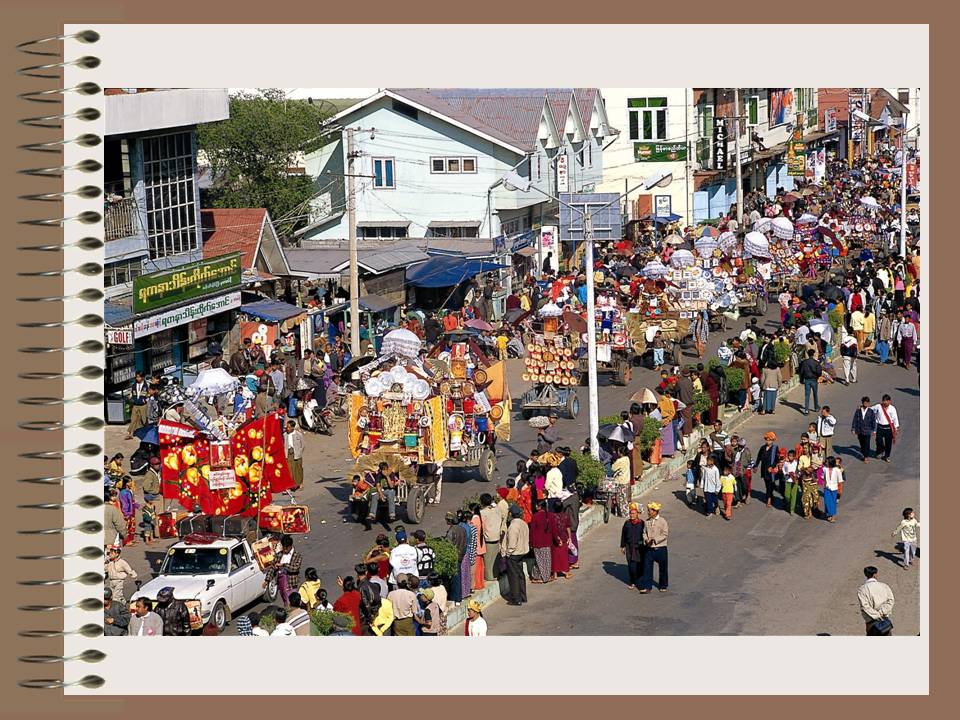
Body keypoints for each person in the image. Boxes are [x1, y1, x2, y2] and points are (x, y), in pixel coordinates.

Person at [502, 504, 529, 606]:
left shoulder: (513, 526)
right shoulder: (523, 523)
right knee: (520, 575)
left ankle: (516, 598)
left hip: (514, 554)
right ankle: (523, 596)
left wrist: (508, 553)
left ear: (511, 514)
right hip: (522, 552)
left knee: (513, 577)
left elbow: (512, 544)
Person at [639, 502, 668, 594]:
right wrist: (646, 540)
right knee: (647, 568)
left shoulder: (663, 521)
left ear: (655, 511)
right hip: (649, 549)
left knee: (663, 568)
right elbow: (644, 532)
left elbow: (665, 534)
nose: (648, 512)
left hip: (660, 548)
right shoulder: (647, 521)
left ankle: (663, 585)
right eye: (648, 510)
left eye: (650, 510)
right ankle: (647, 587)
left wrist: (654, 540)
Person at [857, 566, 895, 636]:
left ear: (866, 575)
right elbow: (890, 601)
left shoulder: (862, 589)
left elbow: (865, 606)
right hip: (884, 620)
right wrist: (882, 613)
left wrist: (876, 615)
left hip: (871, 621)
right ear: (875, 575)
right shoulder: (884, 586)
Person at [620, 502, 646, 588]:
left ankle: (640, 580)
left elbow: (645, 534)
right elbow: (623, 535)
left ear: (637, 514)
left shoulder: (642, 523)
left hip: (639, 547)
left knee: (639, 564)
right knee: (631, 565)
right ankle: (632, 582)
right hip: (629, 547)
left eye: (633, 513)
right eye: (630, 513)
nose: (631, 515)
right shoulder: (627, 523)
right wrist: (622, 546)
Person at [445, 512, 468, 603]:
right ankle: (458, 597)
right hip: (461, 554)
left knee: (455, 578)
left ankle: (456, 598)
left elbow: (448, 544)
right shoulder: (462, 529)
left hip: (454, 556)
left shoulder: (452, 531)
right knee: (457, 576)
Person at [479, 493, 504, 581]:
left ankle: (489, 577)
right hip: (497, 537)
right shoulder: (497, 509)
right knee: (495, 559)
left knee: (488, 561)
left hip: (488, 539)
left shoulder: (483, 513)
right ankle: (495, 574)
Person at [528, 499, 553, 583]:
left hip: (538, 542)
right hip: (547, 541)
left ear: (540, 507)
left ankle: (543, 577)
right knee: (547, 559)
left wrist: (530, 542)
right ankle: (545, 575)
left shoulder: (535, 516)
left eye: (537, 505)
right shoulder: (549, 515)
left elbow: (532, 531)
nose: (535, 507)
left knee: (539, 560)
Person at [756, 431, 780, 508]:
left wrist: (772, 466)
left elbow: (777, 459)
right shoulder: (762, 448)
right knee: (767, 484)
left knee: (770, 484)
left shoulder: (775, 448)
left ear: (773, 440)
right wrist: (755, 466)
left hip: (771, 470)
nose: (768, 441)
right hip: (764, 469)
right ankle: (770, 495)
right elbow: (759, 457)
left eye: (769, 439)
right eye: (766, 439)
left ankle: (769, 499)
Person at [277, 534, 302, 607]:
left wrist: (283, 565)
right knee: (285, 601)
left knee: (292, 602)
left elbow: (295, 568)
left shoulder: (297, 555)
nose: (284, 550)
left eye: (286, 548)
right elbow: (273, 566)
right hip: (282, 583)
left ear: (291, 546)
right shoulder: (279, 554)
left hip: (291, 583)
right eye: (283, 548)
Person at [873, 394, 900, 463]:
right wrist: (862, 407)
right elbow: (870, 409)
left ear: (889, 401)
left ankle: (887, 456)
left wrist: (896, 428)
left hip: (888, 428)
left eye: (886, 401)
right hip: (880, 427)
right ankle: (880, 450)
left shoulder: (892, 408)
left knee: (888, 443)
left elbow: (895, 418)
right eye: (884, 401)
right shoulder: (878, 406)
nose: (885, 402)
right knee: (879, 441)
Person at [851, 396, 877, 463]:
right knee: (862, 443)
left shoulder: (871, 411)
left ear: (868, 403)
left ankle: (866, 457)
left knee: (867, 444)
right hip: (859, 430)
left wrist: (874, 430)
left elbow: (873, 421)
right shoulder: (858, 410)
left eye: (867, 403)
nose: (866, 404)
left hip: (868, 430)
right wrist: (853, 428)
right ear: (862, 403)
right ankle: (863, 452)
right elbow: (855, 419)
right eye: (864, 402)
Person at [798, 349, 823, 415]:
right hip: (814, 380)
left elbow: (801, 372)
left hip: (807, 380)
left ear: (808, 354)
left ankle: (806, 410)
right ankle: (816, 407)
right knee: (815, 394)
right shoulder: (816, 363)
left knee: (807, 395)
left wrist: (801, 380)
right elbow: (819, 372)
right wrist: (817, 376)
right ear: (813, 354)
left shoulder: (804, 362)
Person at [126, 372, 150, 439]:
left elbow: (149, 393)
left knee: (144, 419)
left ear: (142, 377)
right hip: (135, 404)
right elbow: (132, 392)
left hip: (143, 405)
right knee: (133, 419)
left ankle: (147, 432)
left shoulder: (146, 385)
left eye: (139, 377)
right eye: (136, 377)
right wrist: (131, 398)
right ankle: (130, 433)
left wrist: (145, 400)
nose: (137, 378)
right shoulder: (134, 385)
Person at [284, 420, 304, 490]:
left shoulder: (298, 434)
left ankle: (300, 483)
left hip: (297, 453)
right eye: (287, 427)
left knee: (298, 469)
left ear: (293, 427)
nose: (287, 428)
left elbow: (302, 445)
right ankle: (290, 485)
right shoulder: (285, 435)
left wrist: (299, 452)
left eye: (289, 427)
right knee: (289, 469)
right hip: (288, 453)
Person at [822, 456, 843, 522]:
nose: (826, 462)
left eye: (827, 461)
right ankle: (829, 513)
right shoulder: (825, 469)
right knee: (827, 501)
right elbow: (822, 477)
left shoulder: (837, 470)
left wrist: (839, 491)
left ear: (830, 462)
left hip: (834, 489)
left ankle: (833, 516)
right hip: (827, 488)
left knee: (833, 502)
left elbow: (840, 481)